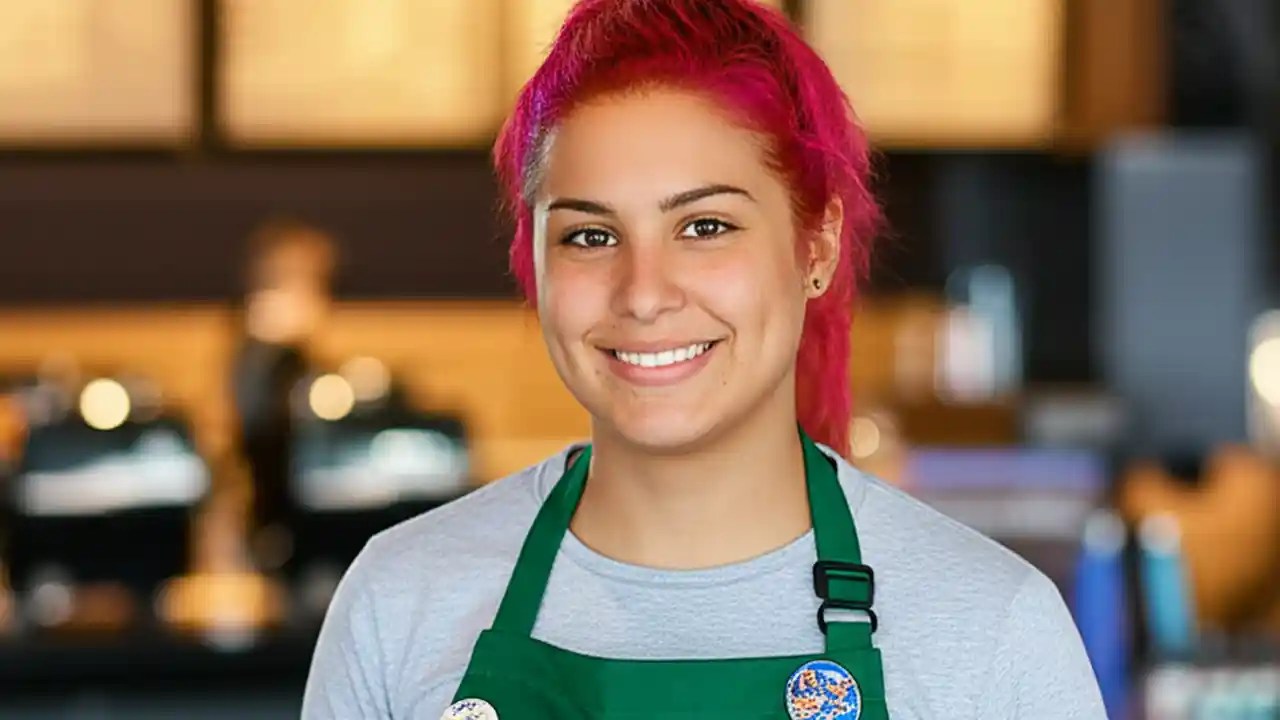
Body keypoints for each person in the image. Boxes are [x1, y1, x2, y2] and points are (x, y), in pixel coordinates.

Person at [303, 1, 1106, 717]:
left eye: (705, 227)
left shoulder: (991, 630)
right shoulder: (400, 603)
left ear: (816, 245)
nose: (643, 294)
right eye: (590, 235)